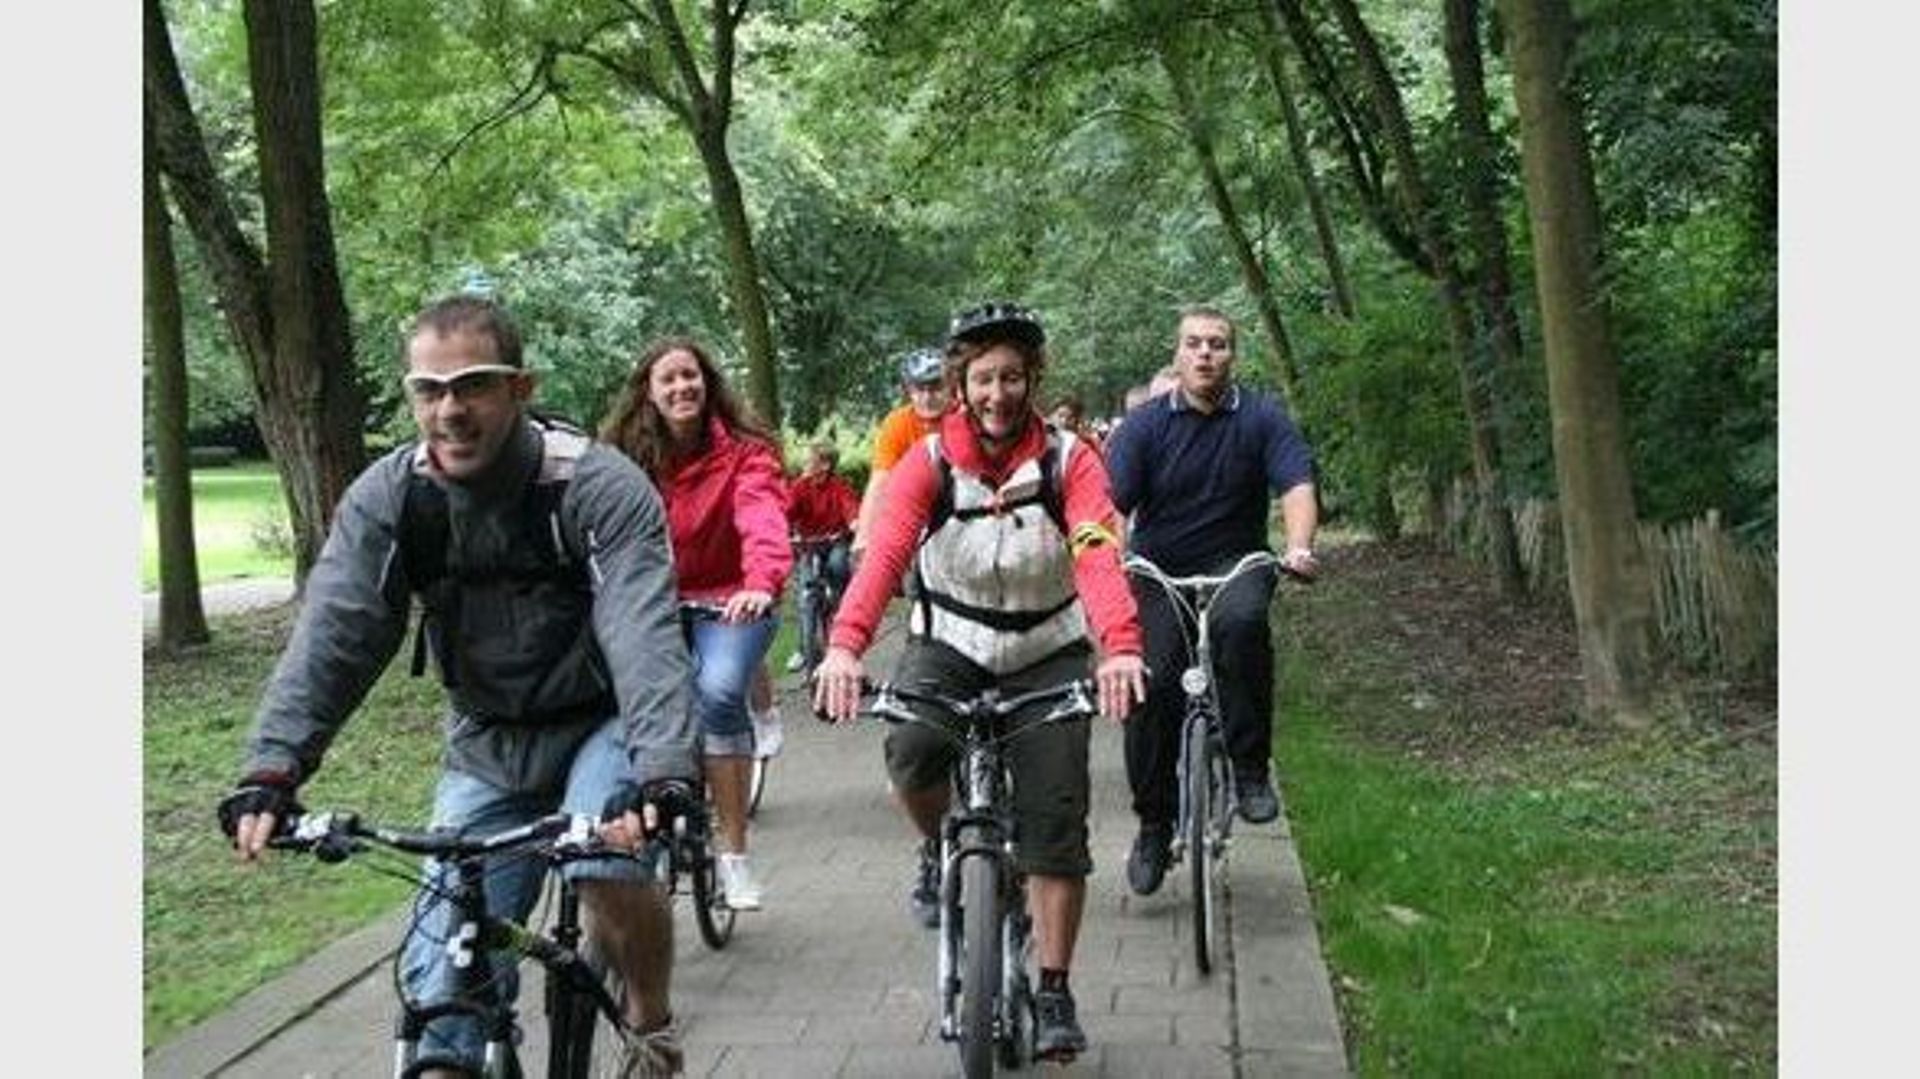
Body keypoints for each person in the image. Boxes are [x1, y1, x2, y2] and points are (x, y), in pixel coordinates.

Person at [215, 295, 697, 1077]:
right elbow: (336, 633)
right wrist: (273, 768)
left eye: (472, 384)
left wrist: (663, 771)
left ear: (521, 387)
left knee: (606, 863)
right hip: (487, 739)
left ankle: (651, 1014)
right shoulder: (392, 497)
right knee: (444, 986)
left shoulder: (594, 486)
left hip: (602, 721)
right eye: (429, 390)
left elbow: (643, 632)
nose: (449, 409)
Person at [813, 302, 1147, 1061]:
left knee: (1055, 819)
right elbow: (886, 556)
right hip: (951, 642)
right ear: (960, 383)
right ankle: (939, 846)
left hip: (1046, 646)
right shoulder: (926, 464)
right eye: (982, 378)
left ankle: (1055, 988)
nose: (997, 393)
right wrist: (843, 647)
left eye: (1012, 378)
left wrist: (1120, 645)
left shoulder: (1072, 460)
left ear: (1033, 380)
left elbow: (1097, 547)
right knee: (913, 751)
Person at [1102, 306, 1320, 898]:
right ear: (1177, 353)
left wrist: (1298, 546)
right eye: (1194, 344)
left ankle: (1250, 769)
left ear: (1232, 355)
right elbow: (1111, 507)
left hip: (1235, 563)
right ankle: (1153, 824)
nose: (1205, 354)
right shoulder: (1144, 427)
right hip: (1157, 568)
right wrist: (1107, 561)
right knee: (1152, 679)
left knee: (1242, 625)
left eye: (1217, 344)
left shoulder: (1261, 418)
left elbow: (1297, 484)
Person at [601, 337, 793, 912]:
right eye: (669, 379)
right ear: (649, 393)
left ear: (707, 383)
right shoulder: (624, 458)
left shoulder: (744, 451)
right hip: (654, 605)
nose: (682, 387)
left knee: (717, 691)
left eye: (691, 376)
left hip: (732, 598)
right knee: (626, 699)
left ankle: (734, 856)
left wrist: (760, 583)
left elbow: (761, 516)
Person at [850, 345, 950, 563]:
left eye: (935, 387)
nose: (927, 397)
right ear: (909, 391)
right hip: (916, 511)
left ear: (950, 386)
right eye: (919, 389)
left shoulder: (965, 416)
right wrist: (864, 536)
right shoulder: (897, 423)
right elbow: (880, 481)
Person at [784, 440, 860, 673]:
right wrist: (777, 531)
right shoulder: (799, 487)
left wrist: (857, 525)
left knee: (838, 565)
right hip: (807, 545)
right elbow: (784, 511)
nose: (804, 463)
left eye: (809, 459)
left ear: (825, 465)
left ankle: (840, 605)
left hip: (834, 542)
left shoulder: (839, 487)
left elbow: (852, 512)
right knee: (805, 596)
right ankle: (803, 649)